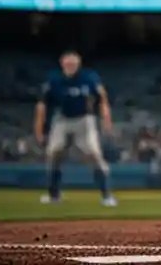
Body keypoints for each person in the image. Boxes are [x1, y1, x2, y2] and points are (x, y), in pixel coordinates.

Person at [34, 49, 116, 206]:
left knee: (94, 153)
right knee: (54, 152)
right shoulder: (54, 79)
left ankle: (107, 195)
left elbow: (102, 97)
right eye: (68, 63)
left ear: (78, 64)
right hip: (62, 119)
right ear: (62, 64)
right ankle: (54, 195)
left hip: (84, 119)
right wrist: (39, 128)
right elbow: (42, 105)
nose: (70, 66)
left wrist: (106, 120)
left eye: (73, 63)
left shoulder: (88, 77)